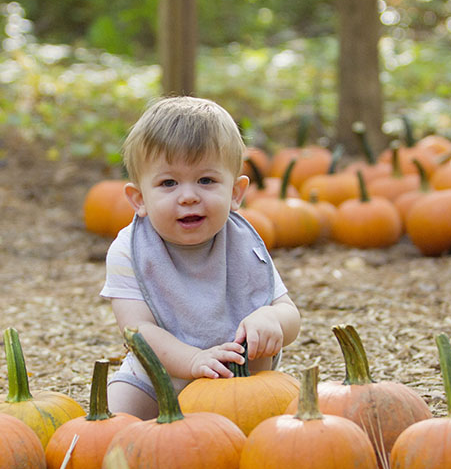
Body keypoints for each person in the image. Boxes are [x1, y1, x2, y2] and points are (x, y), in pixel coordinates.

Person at [100, 96, 301, 419]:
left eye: (206, 180)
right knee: (115, 419)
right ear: (139, 199)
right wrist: (193, 360)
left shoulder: (242, 244)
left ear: (236, 193)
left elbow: (288, 313)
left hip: (239, 381)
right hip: (158, 377)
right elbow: (137, 330)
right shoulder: (131, 251)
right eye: (168, 183)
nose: (189, 196)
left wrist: (271, 318)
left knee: (281, 432)